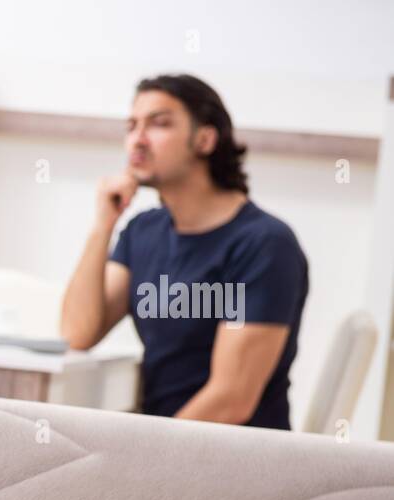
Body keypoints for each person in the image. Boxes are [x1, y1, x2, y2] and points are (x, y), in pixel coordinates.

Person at [61, 73, 309, 430]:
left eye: (159, 124)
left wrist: (146, 457)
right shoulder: (142, 231)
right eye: (132, 126)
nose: (137, 140)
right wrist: (103, 225)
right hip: (168, 440)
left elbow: (231, 401)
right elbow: (77, 335)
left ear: (205, 139)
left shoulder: (263, 243)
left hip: (238, 457)